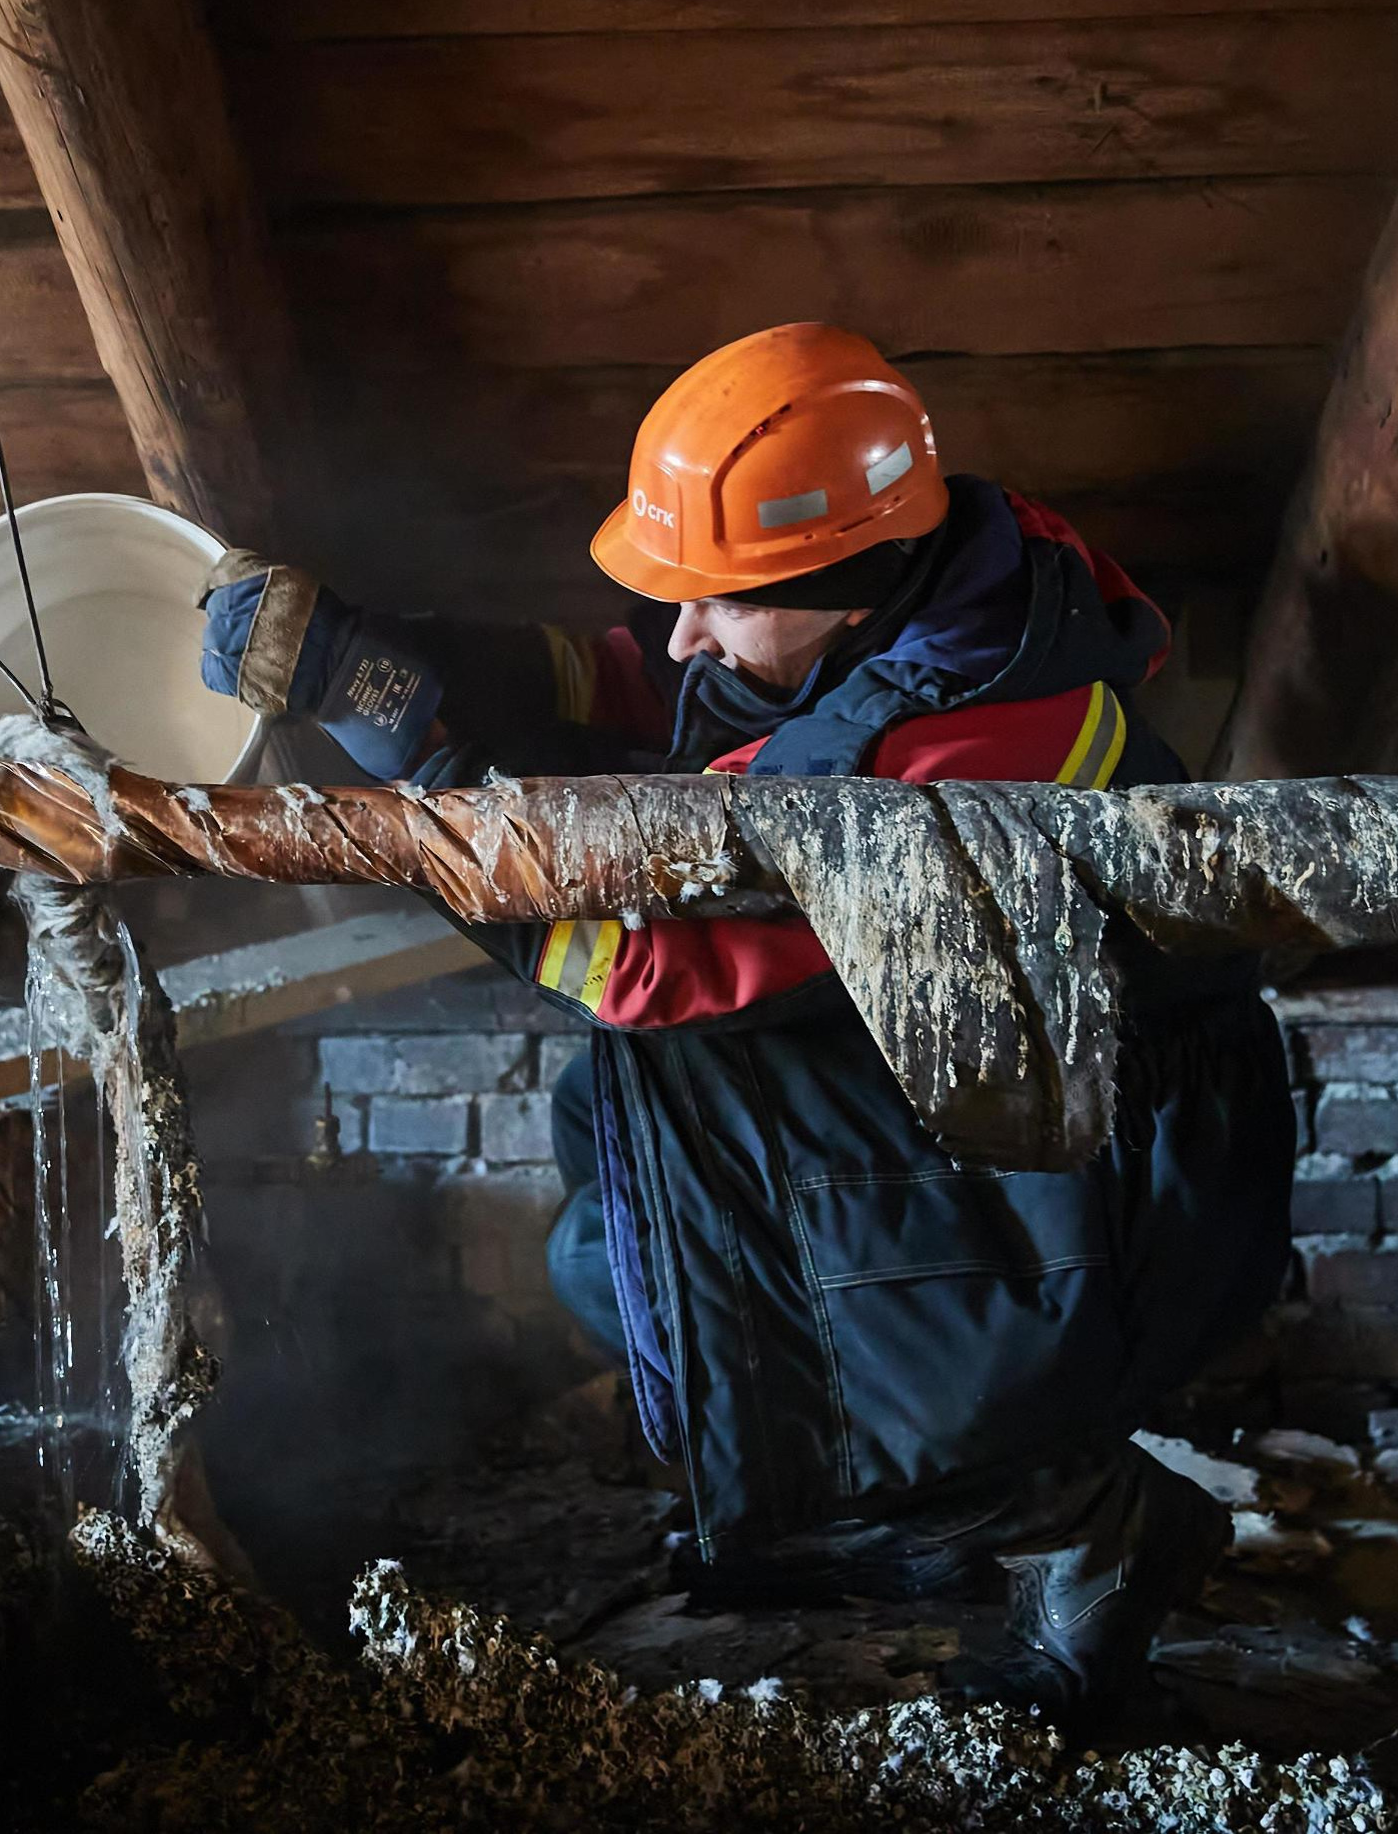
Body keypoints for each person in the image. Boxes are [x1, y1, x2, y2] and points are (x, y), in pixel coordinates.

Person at [197, 323, 1295, 1719]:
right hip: (993, 1084)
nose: (683, 629)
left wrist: (427, 776)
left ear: (840, 587)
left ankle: (1085, 1522)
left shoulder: (958, 745)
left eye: (716, 599)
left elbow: (645, 967)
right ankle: (885, 1510)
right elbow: (644, 685)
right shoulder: (940, 588)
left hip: (1112, 1165)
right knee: (631, 1186)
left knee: (645, 1280)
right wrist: (391, 657)